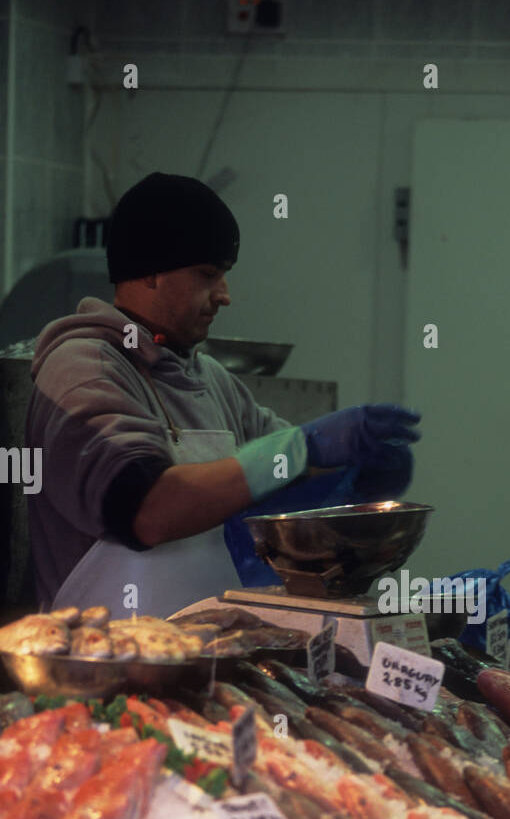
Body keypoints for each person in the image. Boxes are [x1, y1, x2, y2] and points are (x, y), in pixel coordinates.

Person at [25, 172, 421, 616]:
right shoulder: (84, 367)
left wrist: (349, 477)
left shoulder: (211, 380)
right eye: (208, 274)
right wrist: (301, 446)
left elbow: (279, 484)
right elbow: (145, 508)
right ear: (151, 270)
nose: (225, 295)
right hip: (102, 658)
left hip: (209, 653)